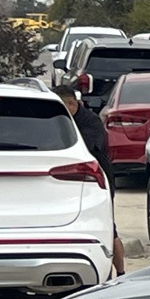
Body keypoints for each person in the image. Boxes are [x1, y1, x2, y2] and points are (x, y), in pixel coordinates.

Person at [56, 84, 127, 277]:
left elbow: (85, 150)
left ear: (72, 104)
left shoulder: (90, 122)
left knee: (109, 231)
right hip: (70, 182)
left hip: (98, 184)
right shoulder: (62, 120)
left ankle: (120, 274)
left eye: (61, 107)